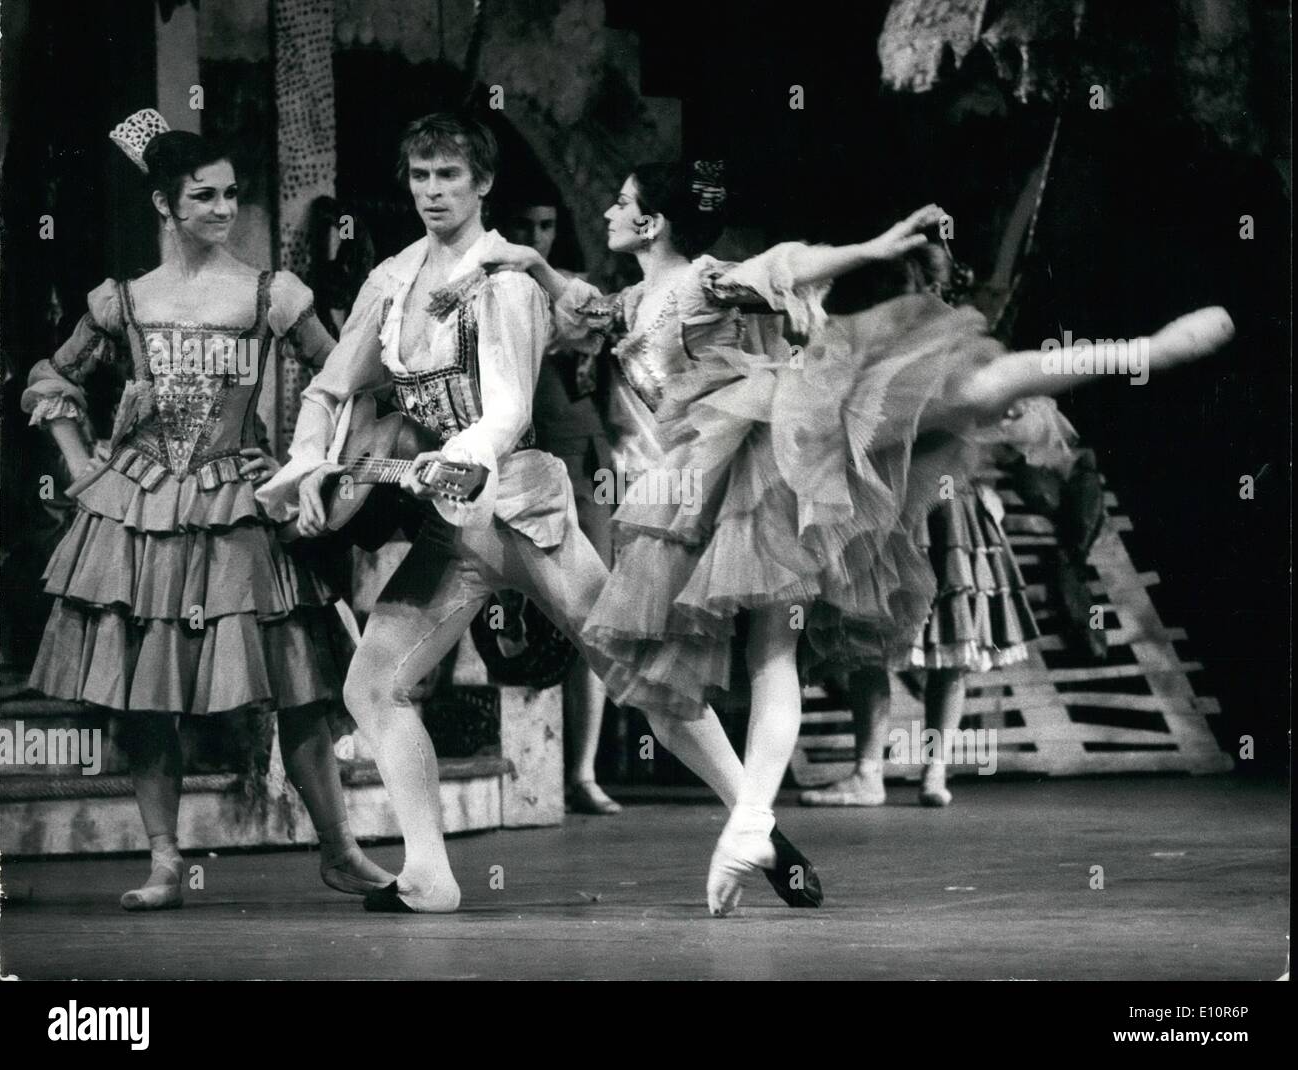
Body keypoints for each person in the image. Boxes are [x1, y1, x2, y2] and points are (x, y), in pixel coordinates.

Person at [484, 160, 1234, 915]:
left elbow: (788, 264)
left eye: (621, 201)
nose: (608, 210)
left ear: (652, 223)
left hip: (767, 445)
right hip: (694, 482)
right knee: (671, 678)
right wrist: (537, 265)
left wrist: (877, 247)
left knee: (947, 393)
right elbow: (586, 307)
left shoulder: (707, 278)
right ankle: (753, 825)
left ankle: (1130, 353)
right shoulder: (634, 300)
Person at [258, 113, 822, 914]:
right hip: (449, 530)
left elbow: (509, 406)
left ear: (482, 184)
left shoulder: (509, 281)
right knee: (372, 684)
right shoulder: (390, 281)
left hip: (522, 511)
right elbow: (330, 388)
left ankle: (756, 822)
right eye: (420, 177)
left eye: (448, 177)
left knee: (639, 676)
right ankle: (427, 873)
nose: (432, 193)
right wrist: (306, 467)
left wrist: (460, 456)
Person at [21, 110, 393, 911]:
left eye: (230, 195)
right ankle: (163, 862)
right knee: (148, 691)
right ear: (165, 206)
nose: (224, 210)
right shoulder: (126, 299)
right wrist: (85, 467)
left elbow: (348, 381)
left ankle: (340, 849)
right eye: (204, 197)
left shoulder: (272, 292)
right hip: (142, 512)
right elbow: (50, 379)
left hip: (240, 507)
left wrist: (306, 464)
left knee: (296, 684)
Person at [800, 397, 1074, 807]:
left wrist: (990, 433)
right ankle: (873, 774)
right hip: (895, 502)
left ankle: (931, 771)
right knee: (869, 641)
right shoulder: (908, 360)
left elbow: (1030, 434)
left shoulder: (964, 363)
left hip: (947, 509)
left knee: (951, 640)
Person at [500, 191, 620, 815]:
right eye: (527, 222)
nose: (539, 233)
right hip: (522, 455)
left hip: (587, 457)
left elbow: (602, 334)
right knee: (520, 605)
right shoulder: (491, 288)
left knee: (594, 611)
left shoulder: (575, 290)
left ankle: (582, 769)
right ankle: (534, 772)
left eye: (547, 222)